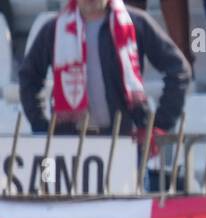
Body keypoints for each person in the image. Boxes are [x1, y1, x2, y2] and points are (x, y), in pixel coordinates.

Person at [19, 0, 190, 138]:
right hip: (70, 145)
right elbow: (29, 78)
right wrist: (41, 126)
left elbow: (179, 70)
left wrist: (160, 123)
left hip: (126, 141)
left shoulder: (136, 22)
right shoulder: (54, 29)